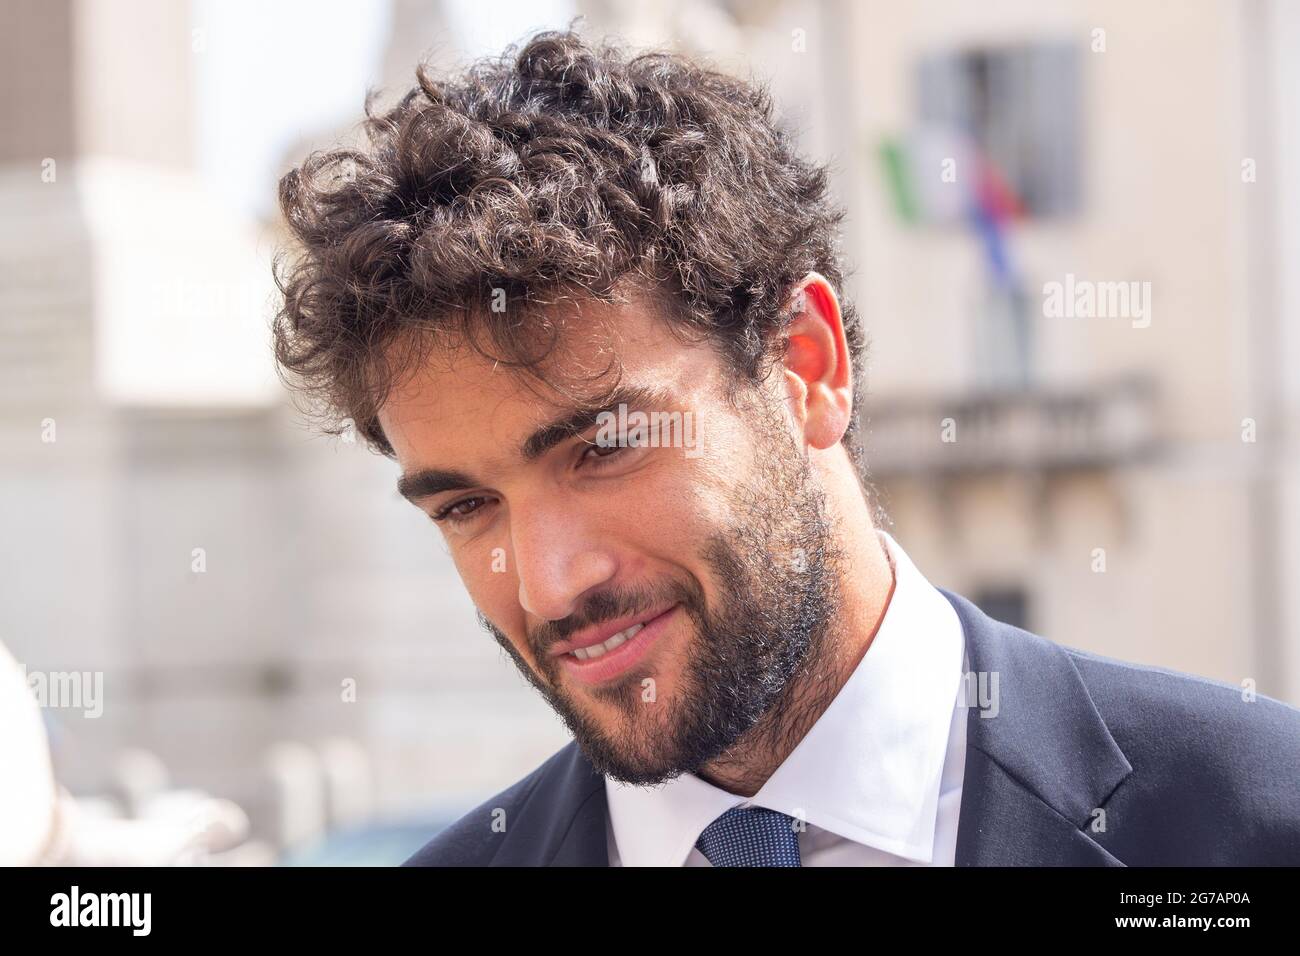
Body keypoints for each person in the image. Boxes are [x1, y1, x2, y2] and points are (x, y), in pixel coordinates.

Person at [270, 28, 1300, 866]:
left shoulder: (1259, 821)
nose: (547, 584)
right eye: (466, 507)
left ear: (806, 366)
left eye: (605, 446)